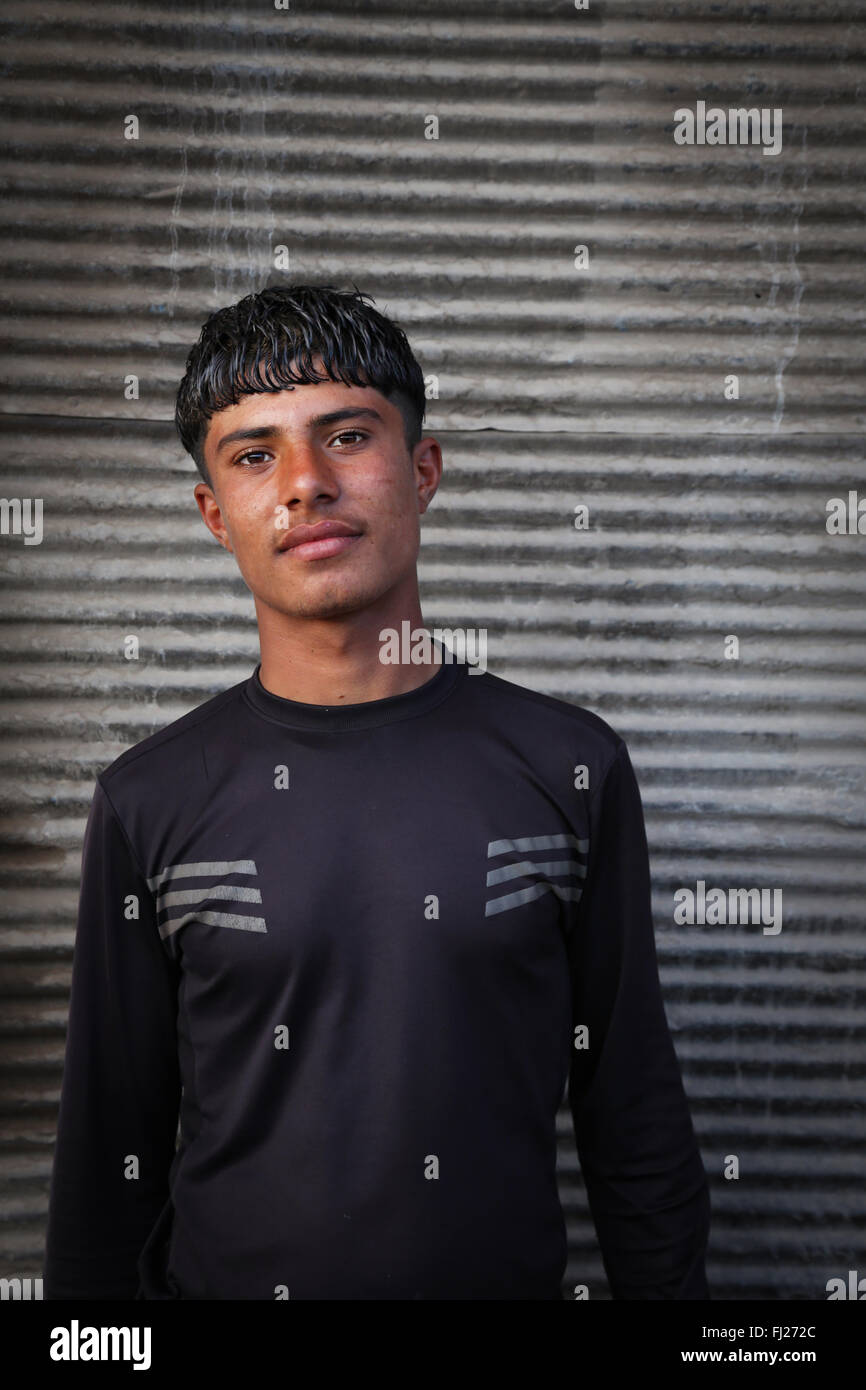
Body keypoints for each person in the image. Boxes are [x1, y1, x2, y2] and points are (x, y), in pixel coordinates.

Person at [43, 283, 711, 1300]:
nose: (305, 483)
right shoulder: (149, 799)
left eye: (346, 435)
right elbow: (108, 1155)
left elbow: (631, 1112)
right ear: (216, 515)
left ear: (423, 468)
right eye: (255, 454)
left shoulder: (568, 765)